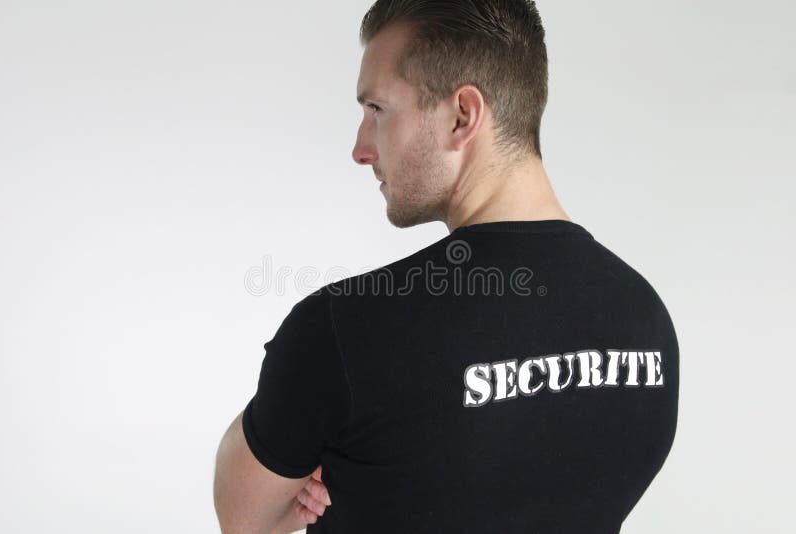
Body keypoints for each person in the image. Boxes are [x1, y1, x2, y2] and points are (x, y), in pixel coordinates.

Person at [214, 1, 679, 533]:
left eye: (377, 109)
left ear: (462, 116)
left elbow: (246, 519)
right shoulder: (647, 319)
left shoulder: (344, 332)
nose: (360, 149)